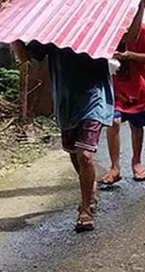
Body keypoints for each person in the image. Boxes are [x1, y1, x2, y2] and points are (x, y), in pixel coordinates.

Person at [10, 36, 114, 233]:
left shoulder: (100, 23)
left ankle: (85, 210)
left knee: (85, 155)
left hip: (95, 97)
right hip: (66, 102)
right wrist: (11, 30)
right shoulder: (55, 28)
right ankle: (89, 189)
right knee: (75, 153)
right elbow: (26, 57)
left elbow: (130, 36)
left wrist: (140, 5)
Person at [100, 0, 145, 187]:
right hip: (116, 89)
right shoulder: (109, 33)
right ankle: (115, 167)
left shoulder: (143, 32)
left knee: (137, 126)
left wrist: (130, 56)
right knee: (113, 122)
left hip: (138, 89)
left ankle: (137, 162)